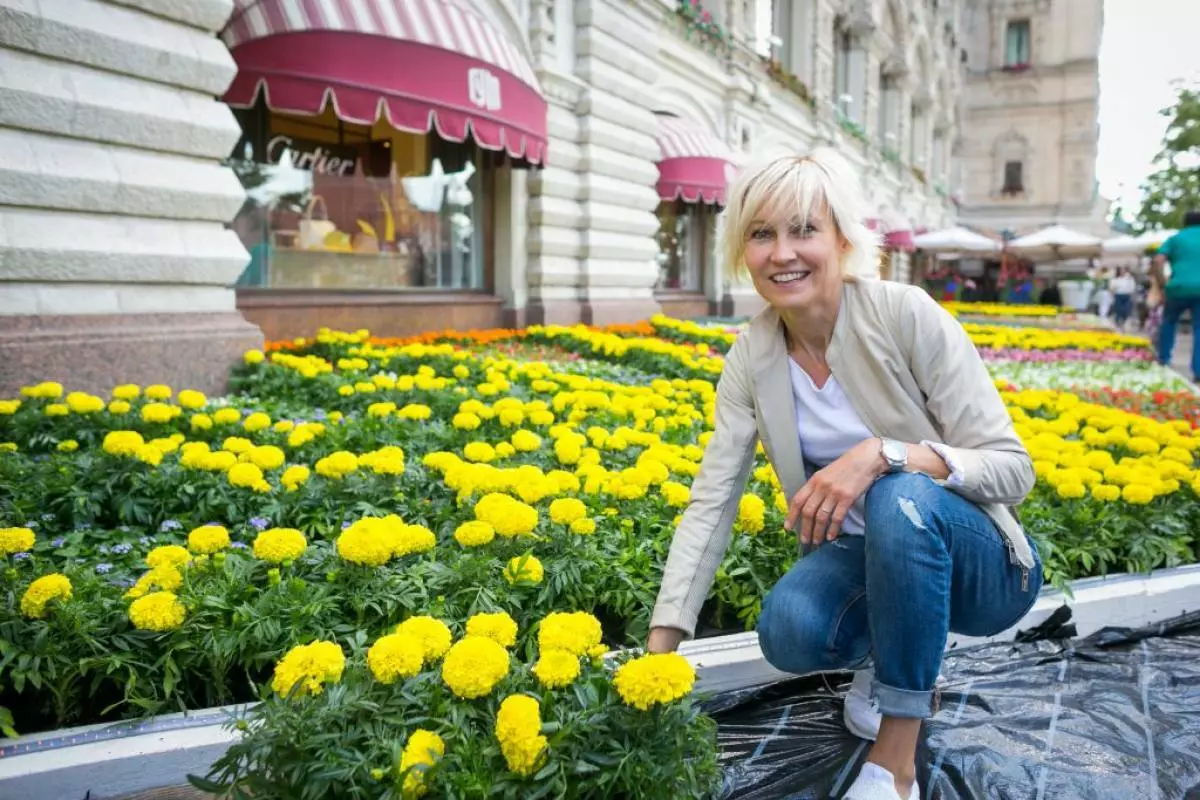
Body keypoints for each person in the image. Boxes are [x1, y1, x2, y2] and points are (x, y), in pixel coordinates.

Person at [646, 149, 1042, 800]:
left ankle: (896, 765)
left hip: (988, 567)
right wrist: (659, 653)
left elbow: (1014, 470)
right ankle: (891, 658)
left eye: (804, 230)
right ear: (741, 249)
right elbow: (712, 501)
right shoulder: (751, 358)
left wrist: (884, 453)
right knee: (791, 628)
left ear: (841, 239)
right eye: (761, 233)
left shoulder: (905, 315)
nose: (782, 253)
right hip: (867, 559)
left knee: (900, 496)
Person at [1154, 211, 1200, 380]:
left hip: (1177, 288)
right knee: (1199, 328)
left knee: (1169, 322)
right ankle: (1198, 370)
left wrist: (1162, 285)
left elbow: (1158, 260)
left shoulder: (1175, 238)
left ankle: (1164, 359)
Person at [1109, 266, 1137, 331]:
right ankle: (1118, 323)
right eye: (1121, 270)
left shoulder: (1129, 278)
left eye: (1124, 270)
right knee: (1118, 310)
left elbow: (1132, 287)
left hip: (1127, 295)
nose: (1122, 272)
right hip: (1118, 295)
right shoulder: (1115, 279)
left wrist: (1131, 293)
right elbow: (1111, 287)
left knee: (1126, 310)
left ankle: (1124, 322)